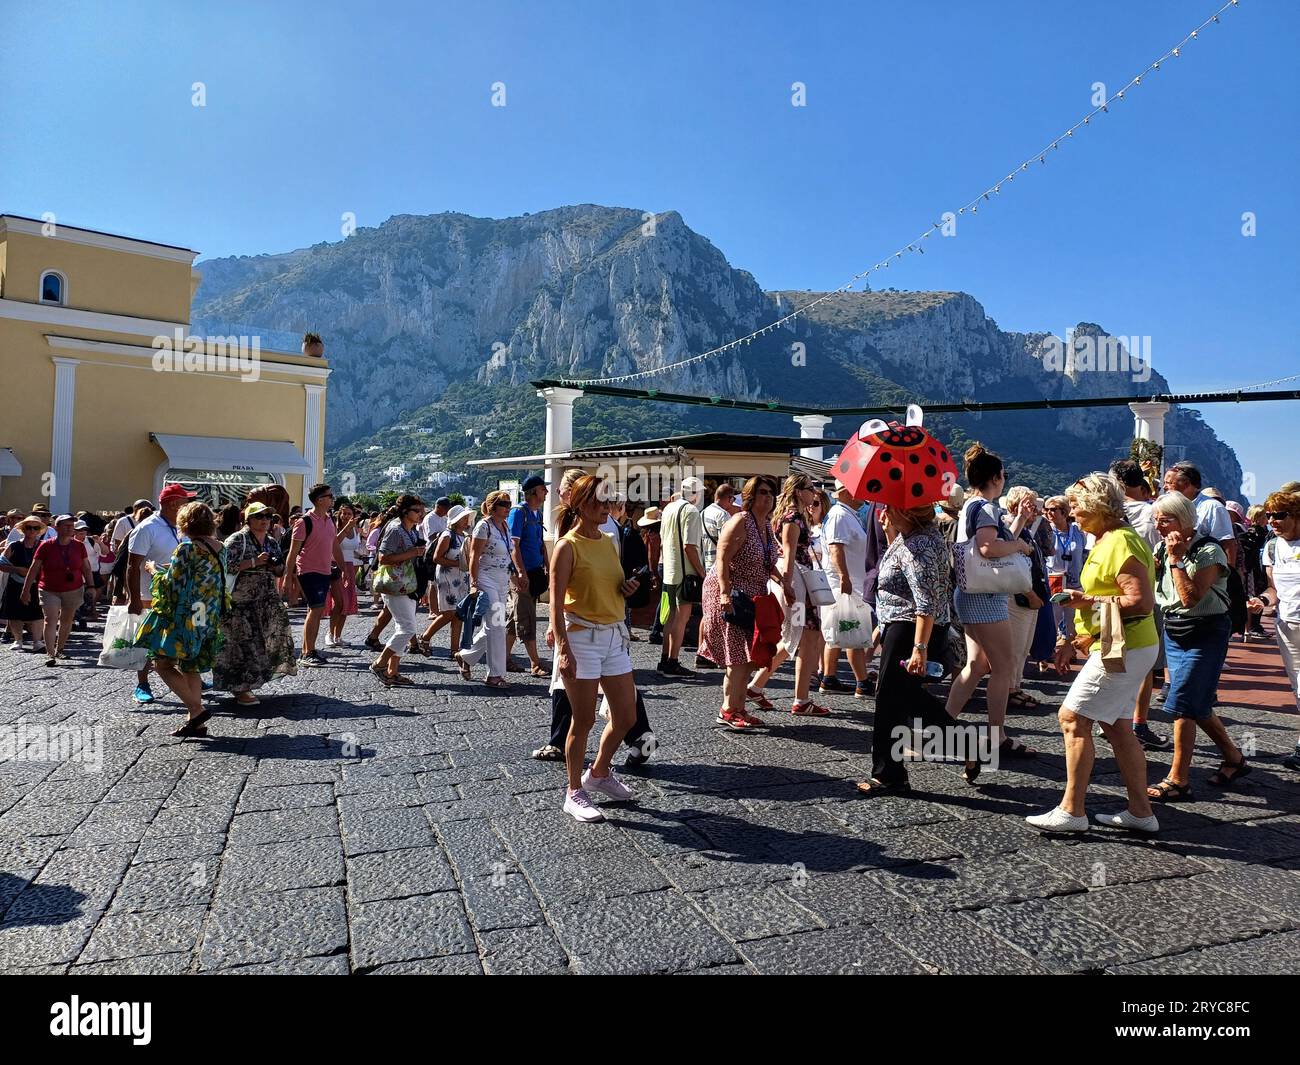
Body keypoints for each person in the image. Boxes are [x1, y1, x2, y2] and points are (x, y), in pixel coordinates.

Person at [1027, 474, 1160, 833]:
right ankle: (1141, 812)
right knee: (1116, 725)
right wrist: (1078, 639)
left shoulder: (1120, 541)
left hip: (1125, 647)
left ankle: (1072, 811)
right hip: (1127, 644)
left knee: (1072, 718)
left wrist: (1084, 601)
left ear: (1101, 505)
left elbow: (1140, 601)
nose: (1073, 512)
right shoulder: (1108, 539)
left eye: (1078, 506)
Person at [548, 474, 643, 822]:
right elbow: (555, 603)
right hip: (580, 638)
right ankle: (574, 792)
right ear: (580, 503)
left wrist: (627, 588)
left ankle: (599, 772)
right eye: (600, 501)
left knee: (626, 716)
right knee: (583, 719)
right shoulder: (567, 546)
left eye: (609, 500)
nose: (607, 507)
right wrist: (562, 647)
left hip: (612, 636)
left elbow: (612, 586)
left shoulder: (608, 541)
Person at [1145, 491, 1246, 801]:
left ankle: (1178, 779)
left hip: (1206, 631)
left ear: (1186, 520)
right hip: (1175, 630)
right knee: (1197, 703)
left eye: (1166, 520)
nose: (1159, 526)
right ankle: (1234, 758)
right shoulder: (1161, 548)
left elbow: (1190, 598)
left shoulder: (1208, 551)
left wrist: (1176, 560)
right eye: (1156, 520)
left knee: (1183, 702)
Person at [857, 501, 958, 794]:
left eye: (888, 507)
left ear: (905, 511)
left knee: (888, 698)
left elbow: (924, 601)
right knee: (909, 698)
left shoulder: (920, 544)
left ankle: (888, 774)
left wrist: (919, 647)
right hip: (901, 625)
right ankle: (971, 746)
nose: (882, 512)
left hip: (909, 628)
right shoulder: (912, 538)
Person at [947, 444, 1036, 769]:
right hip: (986, 598)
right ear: (997, 478)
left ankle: (943, 723)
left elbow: (985, 543)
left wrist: (1021, 521)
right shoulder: (985, 507)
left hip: (971, 592)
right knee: (1003, 666)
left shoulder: (971, 505)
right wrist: (1021, 546)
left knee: (977, 664)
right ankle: (996, 735)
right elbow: (987, 548)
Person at [133, 502, 228, 737]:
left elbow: (171, 586)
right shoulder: (220, 547)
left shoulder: (187, 549)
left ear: (185, 523)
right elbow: (200, 576)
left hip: (185, 616)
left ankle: (197, 709)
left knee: (162, 664)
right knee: (191, 665)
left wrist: (154, 570)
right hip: (208, 612)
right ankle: (196, 722)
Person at [698, 475, 782, 729]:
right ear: (750, 496)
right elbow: (722, 559)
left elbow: (767, 561)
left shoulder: (765, 525)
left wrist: (783, 582)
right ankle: (728, 710)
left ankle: (738, 708)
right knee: (737, 654)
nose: (768, 497)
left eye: (771, 493)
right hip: (731, 594)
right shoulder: (740, 521)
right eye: (763, 492)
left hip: (752, 594)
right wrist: (724, 593)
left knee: (748, 654)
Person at [749, 474, 830, 715]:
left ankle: (758, 686)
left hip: (797, 583)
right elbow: (790, 553)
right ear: (797, 491)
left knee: (798, 637)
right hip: (798, 584)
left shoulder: (788, 515)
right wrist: (787, 585)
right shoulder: (793, 517)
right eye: (809, 488)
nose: (814, 492)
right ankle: (800, 699)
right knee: (804, 637)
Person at [215, 501, 296, 705]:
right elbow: (224, 567)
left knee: (266, 640)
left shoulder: (271, 541)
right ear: (248, 519)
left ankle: (257, 679)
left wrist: (275, 566)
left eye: (268, 517)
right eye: (259, 516)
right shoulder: (237, 540)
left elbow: (279, 569)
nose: (265, 521)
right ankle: (240, 687)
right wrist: (254, 562)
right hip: (240, 602)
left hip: (266, 600)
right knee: (241, 644)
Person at [1248, 490, 1300, 771]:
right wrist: (1263, 601)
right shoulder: (1271, 547)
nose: (1273, 521)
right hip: (1286, 625)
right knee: (1297, 686)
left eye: (1280, 515)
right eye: (1269, 516)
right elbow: (1274, 589)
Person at [127, 484, 193, 704]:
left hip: (178, 596)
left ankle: (187, 677)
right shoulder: (147, 528)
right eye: (186, 501)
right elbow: (132, 566)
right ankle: (142, 683)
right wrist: (134, 598)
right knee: (148, 642)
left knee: (177, 638)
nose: (188, 505)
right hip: (150, 595)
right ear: (174, 504)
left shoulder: (182, 527)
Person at [820, 480, 875, 698]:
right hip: (846, 584)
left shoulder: (844, 515)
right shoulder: (840, 516)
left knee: (839, 632)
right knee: (853, 632)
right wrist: (844, 577)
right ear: (848, 493)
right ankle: (862, 682)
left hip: (848, 582)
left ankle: (829, 677)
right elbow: (836, 548)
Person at [284, 483, 349, 667]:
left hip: (325, 571)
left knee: (315, 611)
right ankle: (307, 653)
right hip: (308, 570)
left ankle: (308, 650)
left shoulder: (328, 519)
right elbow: (293, 551)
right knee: (316, 609)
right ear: (320, 500)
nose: (332, 498)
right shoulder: (304, 522)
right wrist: (288, 577)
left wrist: (343, 569)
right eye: (329, 496)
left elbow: (334, 546)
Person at [367, 495, 427, 687]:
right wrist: (414, 553)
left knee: (404, 627)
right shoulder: (395, 529)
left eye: (421, 510)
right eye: (416, 510)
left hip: (406, 583)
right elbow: (383, 557)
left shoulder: (409, 529)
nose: (420, 514)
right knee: (408, 628)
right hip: (395, 583)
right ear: (405, 511)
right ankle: (380, 664)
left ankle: (393, 671)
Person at [20, 514, 93, 667]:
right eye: (66, 526)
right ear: (57, 527)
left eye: (71, 526)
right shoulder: (46, 545)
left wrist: (91, 586)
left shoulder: (79, 546)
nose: (69, 529)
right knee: (50, 619)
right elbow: (34, 569)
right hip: (49, 588)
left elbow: (86, 567)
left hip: (73, 588)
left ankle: (60, 649)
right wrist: (25, 590)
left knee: (67, 620)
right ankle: (50, 653)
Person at [458, 491, 514, 689]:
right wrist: (474, 582)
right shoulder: (484, 526)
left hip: (502, 580)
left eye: (509, 503)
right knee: (497, 626)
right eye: (504, 503)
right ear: (492, 506)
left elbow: (510, 553)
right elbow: (474, 556)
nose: (508, 507)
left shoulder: (505, 526)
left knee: (494, 624)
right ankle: (495, 675)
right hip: (486, 578)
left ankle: (466, 656)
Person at [1002, 486, 1050, 710]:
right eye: (1029, 504)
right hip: (1017, 596)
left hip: (1031, 594)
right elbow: (1008, 557)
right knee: (1014, 645)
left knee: (1023, 646)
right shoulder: (1008, 525)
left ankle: (1016, 686)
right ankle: (1009, 689)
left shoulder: (1028, 529)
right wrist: (1021, 516)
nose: (1034, 509)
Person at [657, 478, 705, 676]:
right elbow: (689, 546)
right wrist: (702, 572)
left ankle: (664, 659)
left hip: (669, 571)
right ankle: (673, 661)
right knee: (682, 618)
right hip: (685, 573)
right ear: (695, 493)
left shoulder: (668, 509)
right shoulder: (691, 512)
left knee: (670, 617)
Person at [505, 475, 548, 676]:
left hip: (533, 571)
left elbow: (540, 543)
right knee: (527, 617)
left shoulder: (537, 514)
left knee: (517, 615)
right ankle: (535, 663)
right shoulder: (518, 513)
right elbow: (514, 545)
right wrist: (521, 572)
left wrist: (547, 564)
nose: (546, 492)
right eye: (542, 489)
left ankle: (503, 657)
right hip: (520, 574)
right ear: (532, 492)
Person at [416, 504, 472, 656]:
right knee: (449, 612)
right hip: (448, 577)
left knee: (459, 613)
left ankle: (454, 649)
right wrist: (459, 563)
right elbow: (437, 558)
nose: (467, 519)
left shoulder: (464, 536)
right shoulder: (447, 535)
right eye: (464, 517)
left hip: (461, 577)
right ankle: (425, 636)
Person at [1, 517, 47, 651]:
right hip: (15, 582)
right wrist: (17, 570)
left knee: (38, 612)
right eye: (29, 527)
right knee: (15, 612)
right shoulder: (13, 546)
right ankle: (18, 640)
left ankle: (37, 641)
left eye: (36, 528)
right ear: (23, 529)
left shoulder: (43, 545)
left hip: (37, 583)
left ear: (39, 531)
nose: (32, 531)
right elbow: (1, 563)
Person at [325, 502, 363, 648]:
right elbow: (335, 543)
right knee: (339, 602)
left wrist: (359, 555)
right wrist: (346, 528)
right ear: (339, 514)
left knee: (346, 603)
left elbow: (352, 548)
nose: (346, 516)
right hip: (337, 566)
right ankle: (330, 633)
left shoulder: (355, 530)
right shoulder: (335, 527)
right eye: (344, 513)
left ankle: (338, 635)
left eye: (349, 514)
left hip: (351, 566)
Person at [1241, 505, 1272, 640]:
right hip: (1255, 571)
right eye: (1265, 516)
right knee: (1255, 597)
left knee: (1255, 596)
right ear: (1258, 518)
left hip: (1254, 570)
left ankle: (1254, 627)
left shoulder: (1254, 532)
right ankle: (1254, 627)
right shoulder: (1256, 534)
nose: (1268, 519)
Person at [700, 483, 740, 575]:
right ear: (729, 498)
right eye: (733, 499)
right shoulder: (723, 515)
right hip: (719, 567)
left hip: (705, 564)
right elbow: (727, 544)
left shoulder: (703, 512)